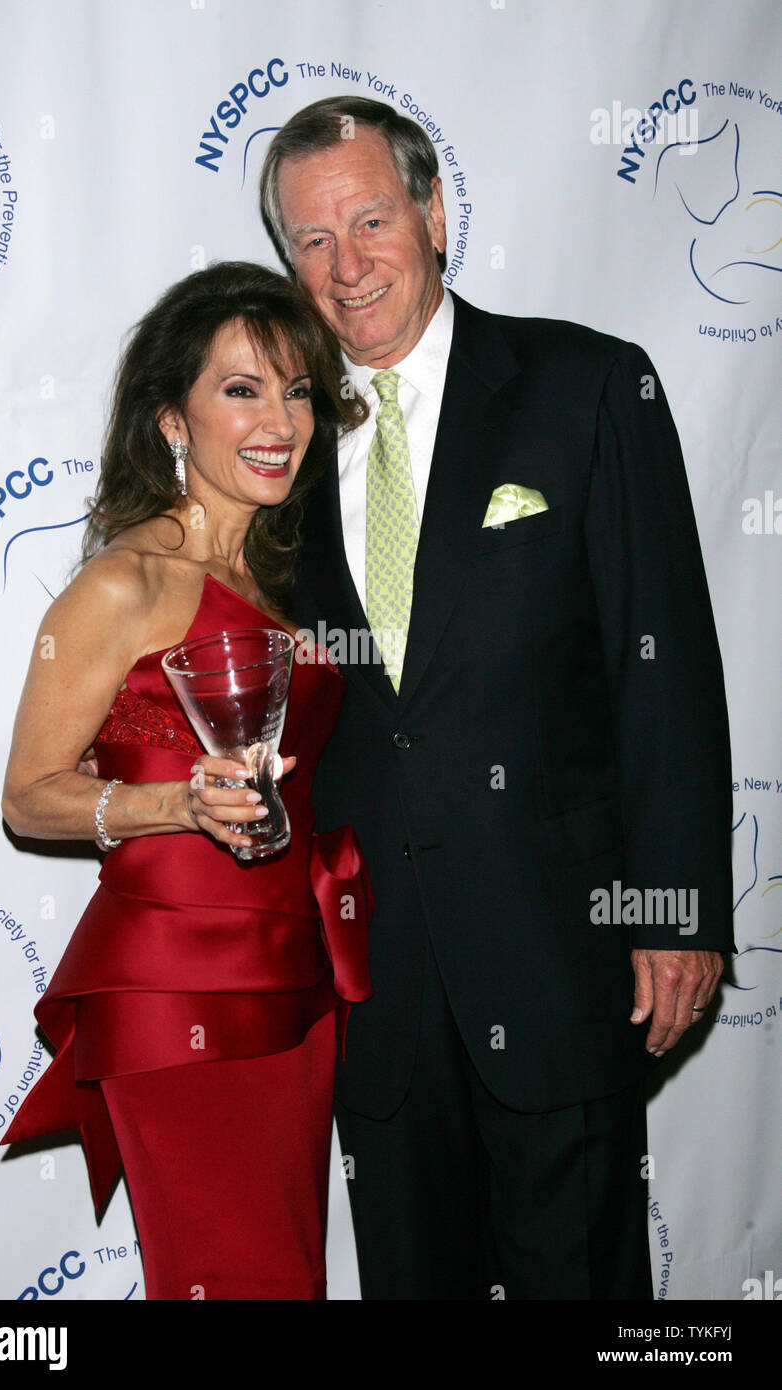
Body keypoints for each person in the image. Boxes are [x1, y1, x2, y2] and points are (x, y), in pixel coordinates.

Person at [258, 96, 734, 1300]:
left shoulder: (583, 386)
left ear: (430, 212)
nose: (346, 264)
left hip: (560, 955)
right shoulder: (274, 446)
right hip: (375, 991)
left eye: (369, 220)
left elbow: (663, 664)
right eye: (310, 241)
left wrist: (675, 905)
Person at [0, 261, 372, 1301]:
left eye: (297, 389)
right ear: (172, 418)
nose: (280, 419)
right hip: (177, 989)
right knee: (232, 1274)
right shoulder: (127, 581)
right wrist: (177, 804)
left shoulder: (280, 581)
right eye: (241, 388)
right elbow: (27, 793)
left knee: (281, 1272)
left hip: (295, 976)